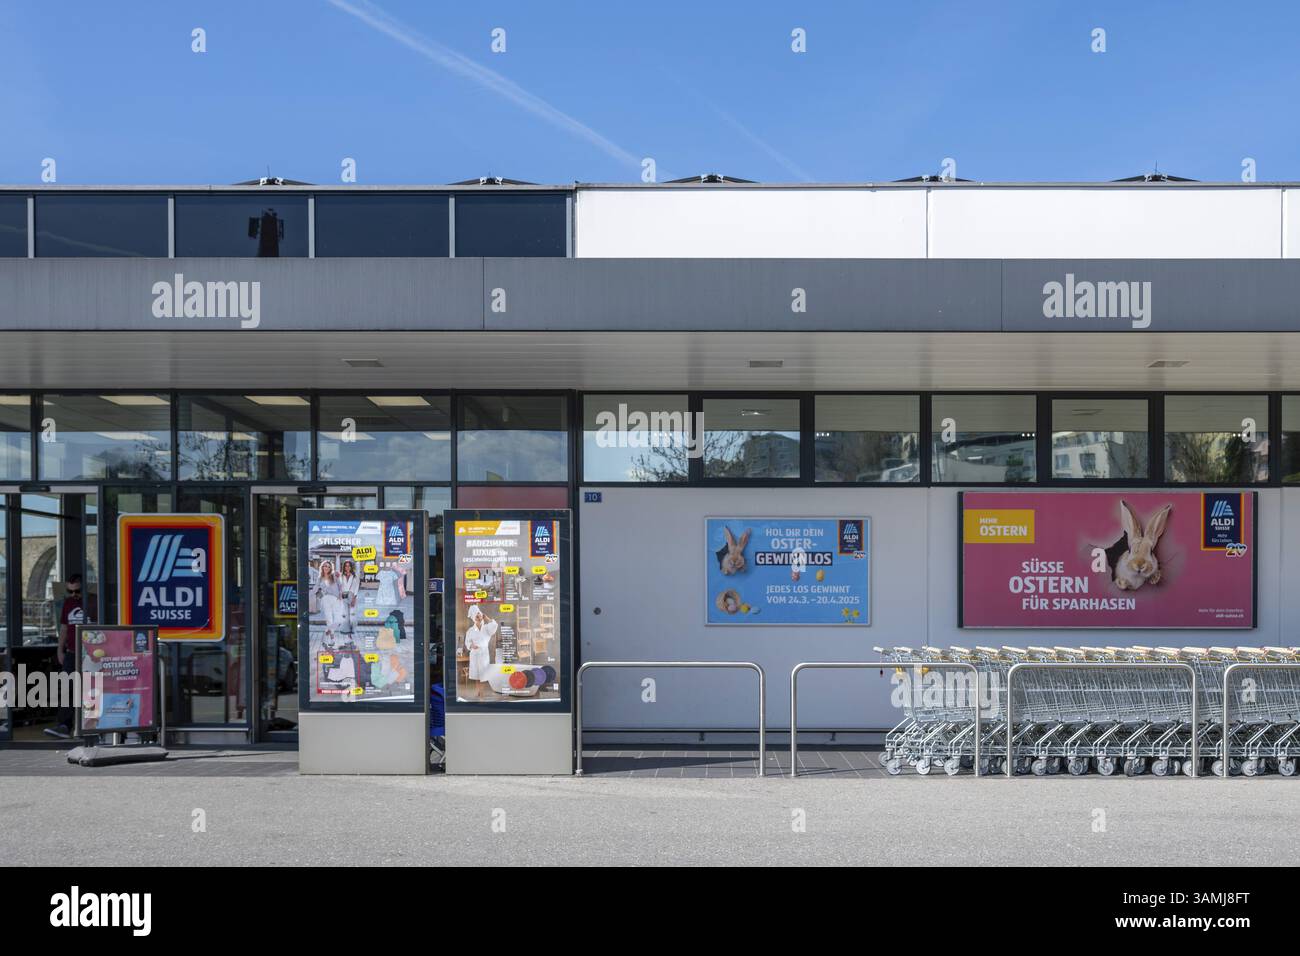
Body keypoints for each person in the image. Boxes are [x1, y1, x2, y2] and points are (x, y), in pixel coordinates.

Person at [45, 574, 96, 739]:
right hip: (72, 652)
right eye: (70, 591)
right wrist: (60, 650)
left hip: (91, 653)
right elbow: (64, 628)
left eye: (77, 591)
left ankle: (91, 726)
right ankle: (64, 726)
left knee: (91, 689)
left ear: (84, 587)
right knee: (67, 689)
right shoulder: (68, 603)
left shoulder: (95, 601)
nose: (74, 595)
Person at [463, 605, 497, 699]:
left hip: (484, 654)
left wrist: (487, 618)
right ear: (474, 618)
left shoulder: (486, 628)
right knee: (477, 676)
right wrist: (471, 646)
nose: (478, 617)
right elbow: (467, 642)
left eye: (479, 614)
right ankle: (479, 692)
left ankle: (481, 693)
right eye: (476, 616)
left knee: (483, 675)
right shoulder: (470, 630)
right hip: (474, 654)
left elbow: (494, 626)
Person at [314, 560, 346, 648]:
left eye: (328, 566)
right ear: (322, 567)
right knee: (329, 620)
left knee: (339, 620)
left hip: (336, 599)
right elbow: (315, 588)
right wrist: (310, 594)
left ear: (330, 568)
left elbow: (341, 586)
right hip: (325, 599)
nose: (326, 568)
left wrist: (340, 595)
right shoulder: (320, 578)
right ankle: (332, 639)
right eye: (325, 566)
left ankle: (326, 633)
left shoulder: (334, 576)